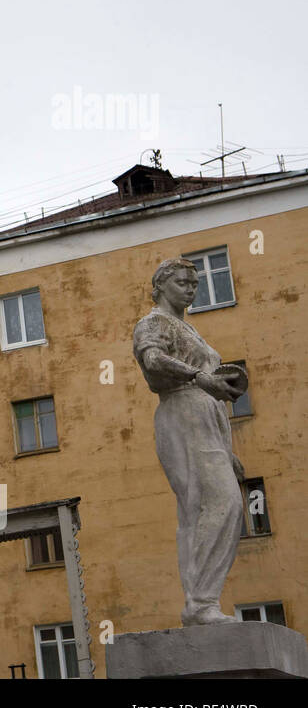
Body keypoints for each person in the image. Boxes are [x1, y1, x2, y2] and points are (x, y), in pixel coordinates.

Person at [132, 257, 247, 625]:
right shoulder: (154, 322)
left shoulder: (189, 329)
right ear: (160, 285)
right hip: (182, 410)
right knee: (215, 504)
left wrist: (228, 454)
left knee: (218, 505)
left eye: (194, 284)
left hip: (206, 419)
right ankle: (200, 604)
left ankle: (202, 601)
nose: (191, 289)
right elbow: (153, 360)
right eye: (182, 282)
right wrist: (200, 377)